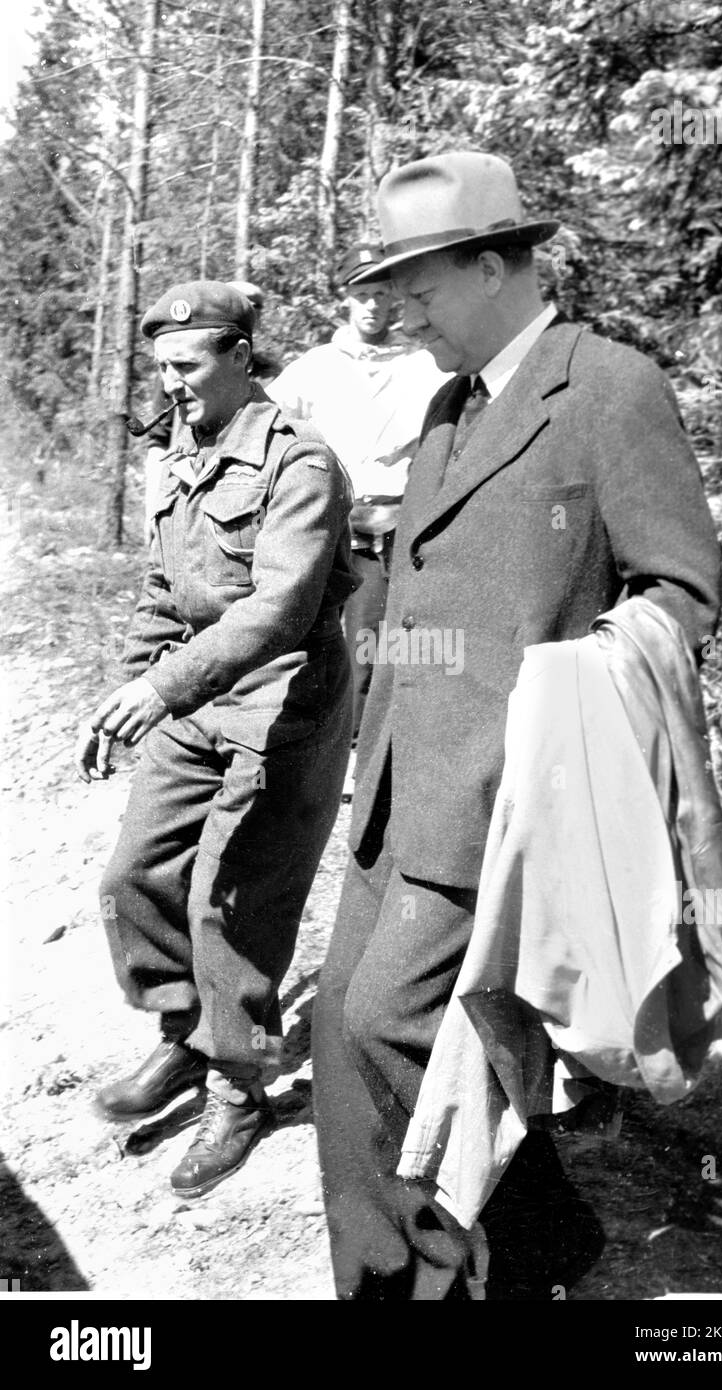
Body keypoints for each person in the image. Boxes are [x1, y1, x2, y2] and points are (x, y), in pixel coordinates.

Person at [311, 151, 722, 1299]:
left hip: (501, 800)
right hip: (394, 783)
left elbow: (681, 590)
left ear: (495, 265)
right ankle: (378, 1279)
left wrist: (565, 697)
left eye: (418, 285)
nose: (396, 311)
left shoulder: (605, 387)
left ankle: (526, 1243)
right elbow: (426, 588)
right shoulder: (449, 403)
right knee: (343, 1054)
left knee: (392, 1023)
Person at [75, 280, 358, 1199]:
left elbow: (280, 611)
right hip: (192, 703)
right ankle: (182, 1036)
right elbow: (166, 590)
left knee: (228, 905)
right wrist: (129, 690)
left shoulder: (301, 463)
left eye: (187, 366)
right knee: (134, 880)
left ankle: (239, 1089)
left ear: (240, 356)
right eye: (159, 368)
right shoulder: (177, 452)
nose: (172, 384)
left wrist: (163, 686)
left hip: (281, 708)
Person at [269, 244, 448, 791]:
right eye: (361, 295)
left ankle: (396, 749)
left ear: (394, 300)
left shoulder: (423, 365)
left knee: (410, 639)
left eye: (380, 295)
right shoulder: (316, 367)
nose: (371, 306)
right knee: (342, 641)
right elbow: (268, 425)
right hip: (339, 526)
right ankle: (342, 753)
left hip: (407, 524)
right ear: (346, 299)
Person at [142, 280, 279, 541]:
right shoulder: (175, 372)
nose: (172, 384)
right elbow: (158, 441)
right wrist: (153, 504)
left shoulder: (271, 373)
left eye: (255, 308)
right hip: (185, 483)